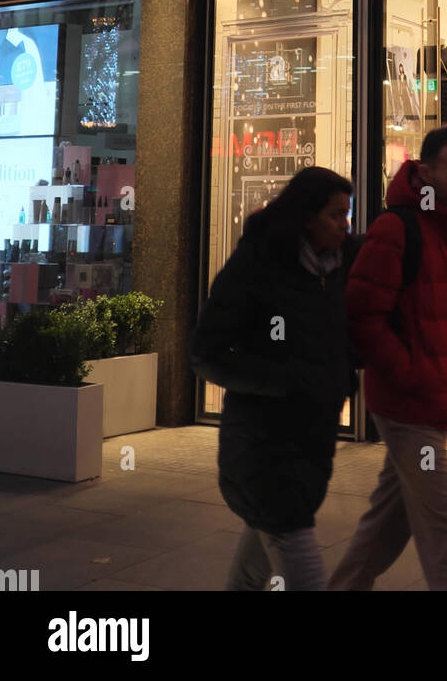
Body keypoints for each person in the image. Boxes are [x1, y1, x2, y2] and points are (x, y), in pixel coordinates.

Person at [328, 125, 447, 592]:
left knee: (386, 526)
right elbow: (361, 316)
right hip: (407, 406)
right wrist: (412, 373)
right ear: (427, 169)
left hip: (433, 402)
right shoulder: (396, 228)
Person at [189, 166, 356, 590]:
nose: (345, 224)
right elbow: (205, 354)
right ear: (306, 217)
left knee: (255, 563)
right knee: (300, 562)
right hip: (263, 448)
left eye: (347, 213)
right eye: (337, 214)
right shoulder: (258, 265)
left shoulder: (334, 267)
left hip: (309, 441)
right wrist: (286, 381)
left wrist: (340, 375)